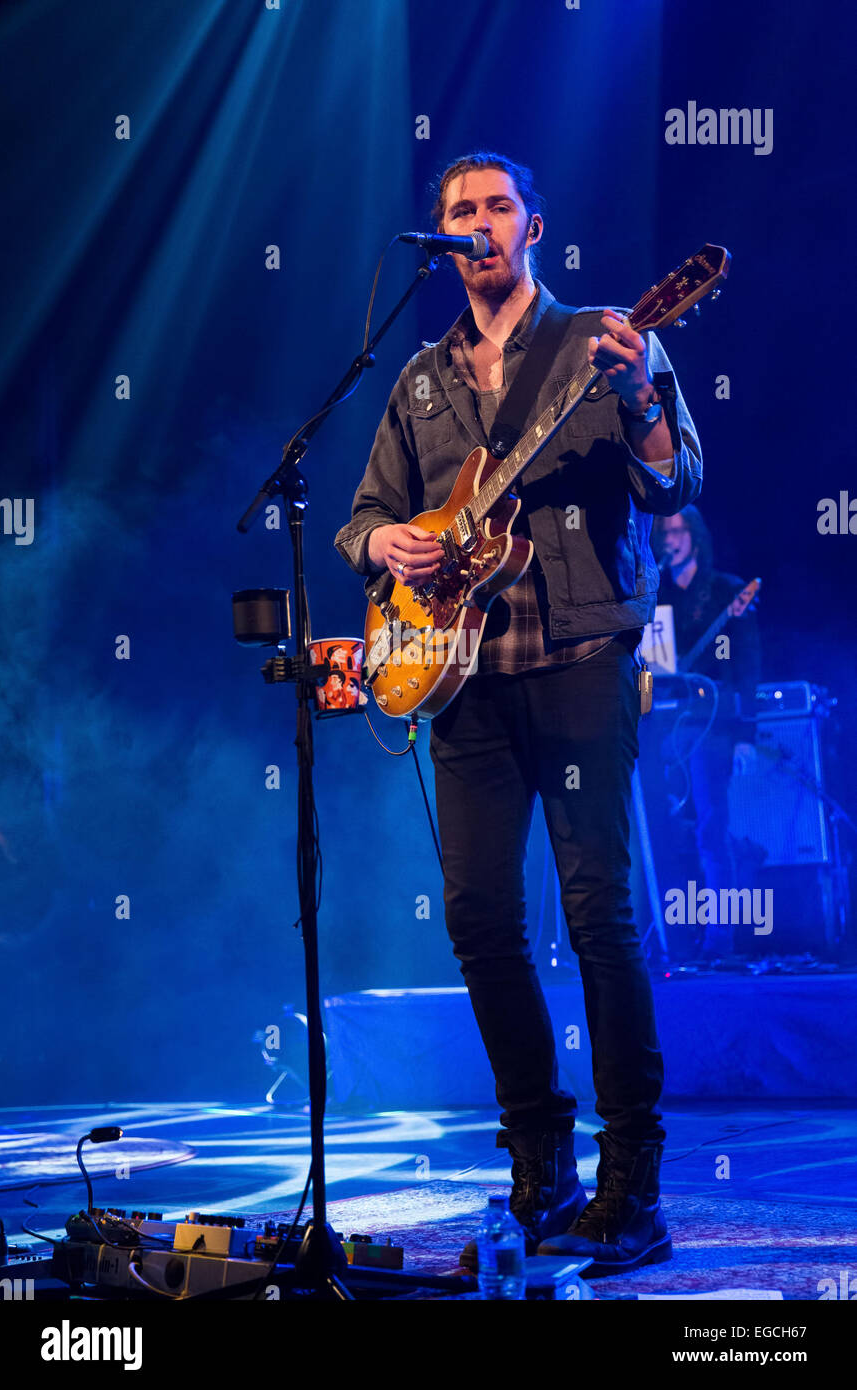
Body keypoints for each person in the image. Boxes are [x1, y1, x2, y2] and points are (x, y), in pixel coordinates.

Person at [334, 152, 702, 1276]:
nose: (479, 223)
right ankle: (539, 1165)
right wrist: (381, 544)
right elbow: (360, 521)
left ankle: (631, 1182)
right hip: (461, 677)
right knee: (480, 920)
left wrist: (637, 394)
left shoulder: (603, 337)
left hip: (582, 659)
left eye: (497, 206)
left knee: (596, 915)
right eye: (459, 211)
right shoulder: (420, 383)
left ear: (532, 225)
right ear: (441, 238)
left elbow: (676, 480)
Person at [653, 507, 761, 956]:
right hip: (665, 725)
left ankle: (720, 938)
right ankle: (671, 935)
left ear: (695, 537)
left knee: (711, 827)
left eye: (679, 531)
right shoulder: (656, 592)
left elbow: (747, 668)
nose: (671, 539)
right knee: (666, 828)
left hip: (713, 726)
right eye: (666, 532)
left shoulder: (726, 591)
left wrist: (746, 736)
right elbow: (653, 665)